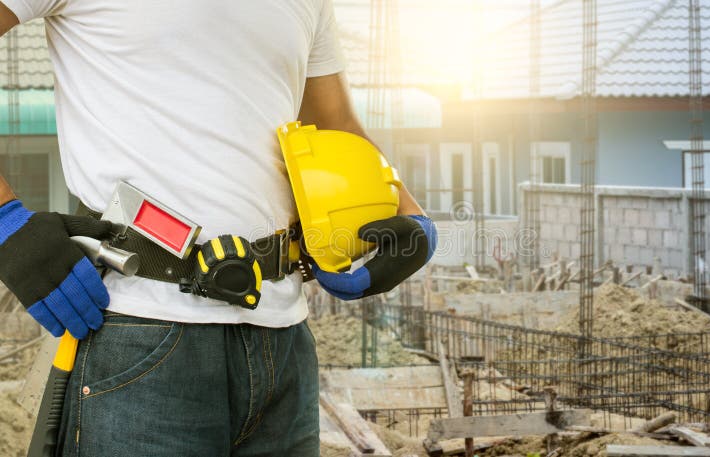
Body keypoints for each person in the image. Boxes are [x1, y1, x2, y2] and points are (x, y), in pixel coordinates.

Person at [0, 1, 436, 455]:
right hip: (141, 328)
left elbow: (336, 124)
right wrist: (5, 222)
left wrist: (412, 216)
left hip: (283, 335)